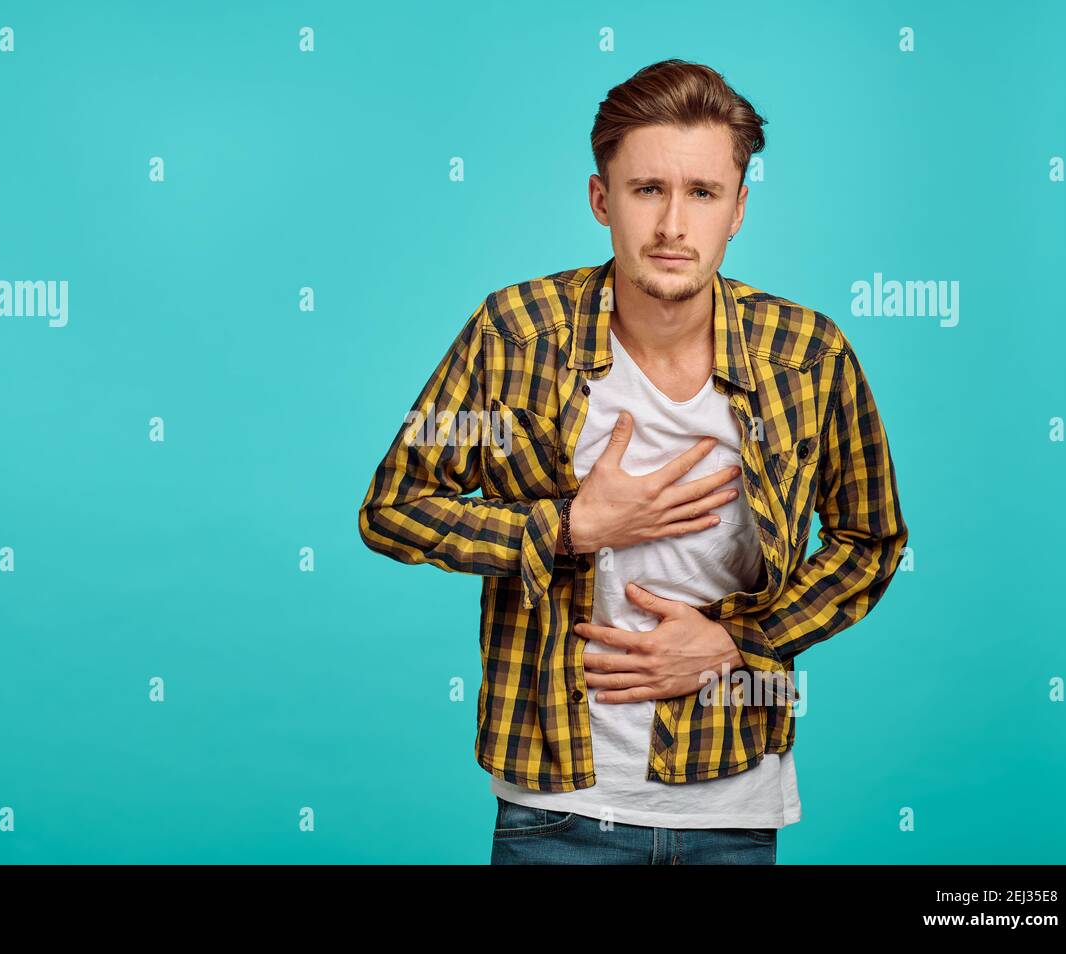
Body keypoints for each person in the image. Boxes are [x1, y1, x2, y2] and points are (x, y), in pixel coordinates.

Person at [358, 59, 909, 865]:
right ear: (601, 199)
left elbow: (871, 541)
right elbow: (392, 506)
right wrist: (569, 526)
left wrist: (738, 643)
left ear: (739, 209)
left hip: (733, 800)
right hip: (554, 808)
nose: (672, 226)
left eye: (703, 193)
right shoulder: (515, 333)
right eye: (648, 190)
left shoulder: (807, 354)